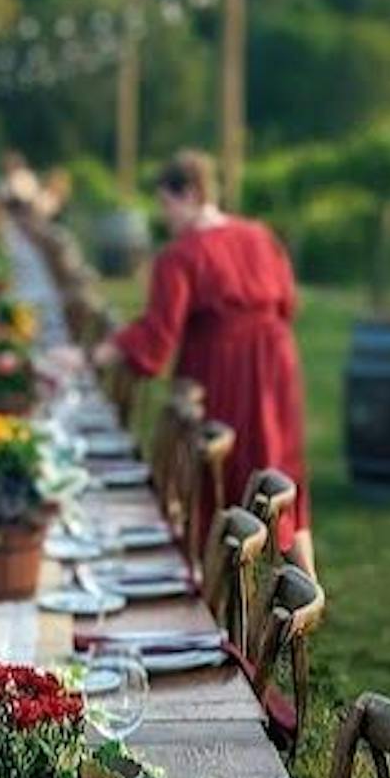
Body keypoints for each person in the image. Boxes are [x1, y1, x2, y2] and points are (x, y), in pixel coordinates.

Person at [93, 149, 314, 574]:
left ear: (191, 194)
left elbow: (159, 334)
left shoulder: (179, 257)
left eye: (167, 204)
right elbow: (288, 301)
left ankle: (222, 586)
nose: (165, 216)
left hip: (222, 369)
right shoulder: (259, 235)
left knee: (221, 472)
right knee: (281, 466)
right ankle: (305, 585)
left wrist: (109, 348)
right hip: (276, 361)